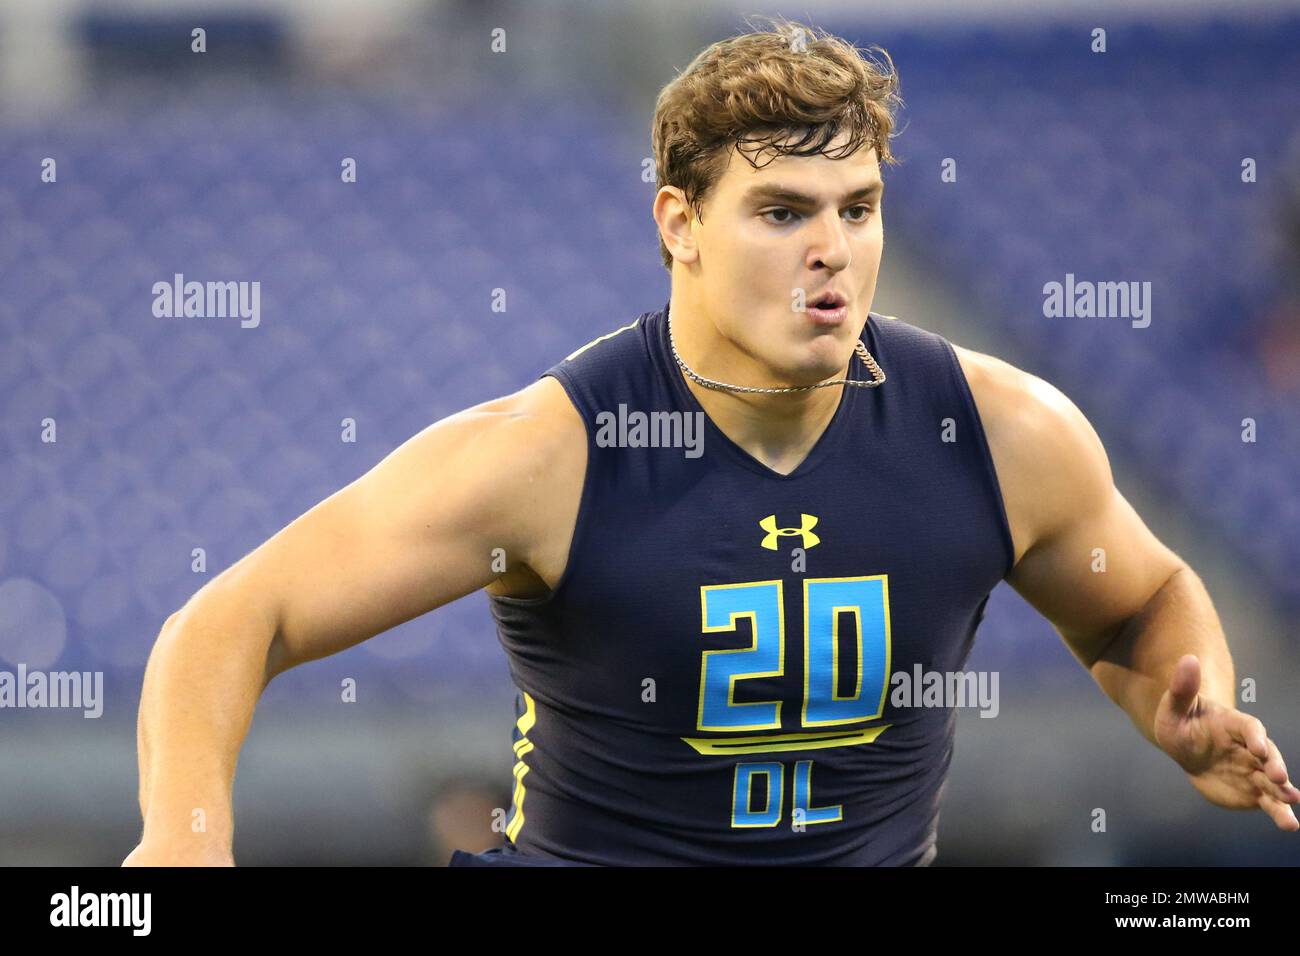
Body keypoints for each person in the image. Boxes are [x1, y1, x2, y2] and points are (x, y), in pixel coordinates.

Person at [124, 16, 1298, 867]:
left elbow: (1140, 598)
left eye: (858, 206)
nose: (829, 248)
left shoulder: (1001, 431)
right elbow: (231, 618)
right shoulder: (551, 455)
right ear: (678, 224)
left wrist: (1179, 706)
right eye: (783, 211)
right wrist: (186, 837)